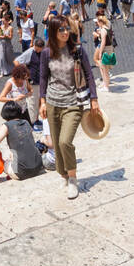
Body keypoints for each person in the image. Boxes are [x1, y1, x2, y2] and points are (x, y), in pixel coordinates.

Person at [37, 14, 99, 200]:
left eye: (67, 28)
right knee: (56, 144)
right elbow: (42, 78)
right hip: (53, 103)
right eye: (61, 29)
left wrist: (94, 99)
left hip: (74, 102)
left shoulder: (77, 50)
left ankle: (72, 178)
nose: (65, 32)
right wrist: (42, 101)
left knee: (65, 141)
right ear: (53, 32)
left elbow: (89, 75)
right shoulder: (47, 53)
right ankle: (63, 175)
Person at [0, 101, 46, 182]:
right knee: (13, 154)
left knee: (1, 161)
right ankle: (7, 174)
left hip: (22, 172)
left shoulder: (6, 125)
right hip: (38, 167)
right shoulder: (26, 122)